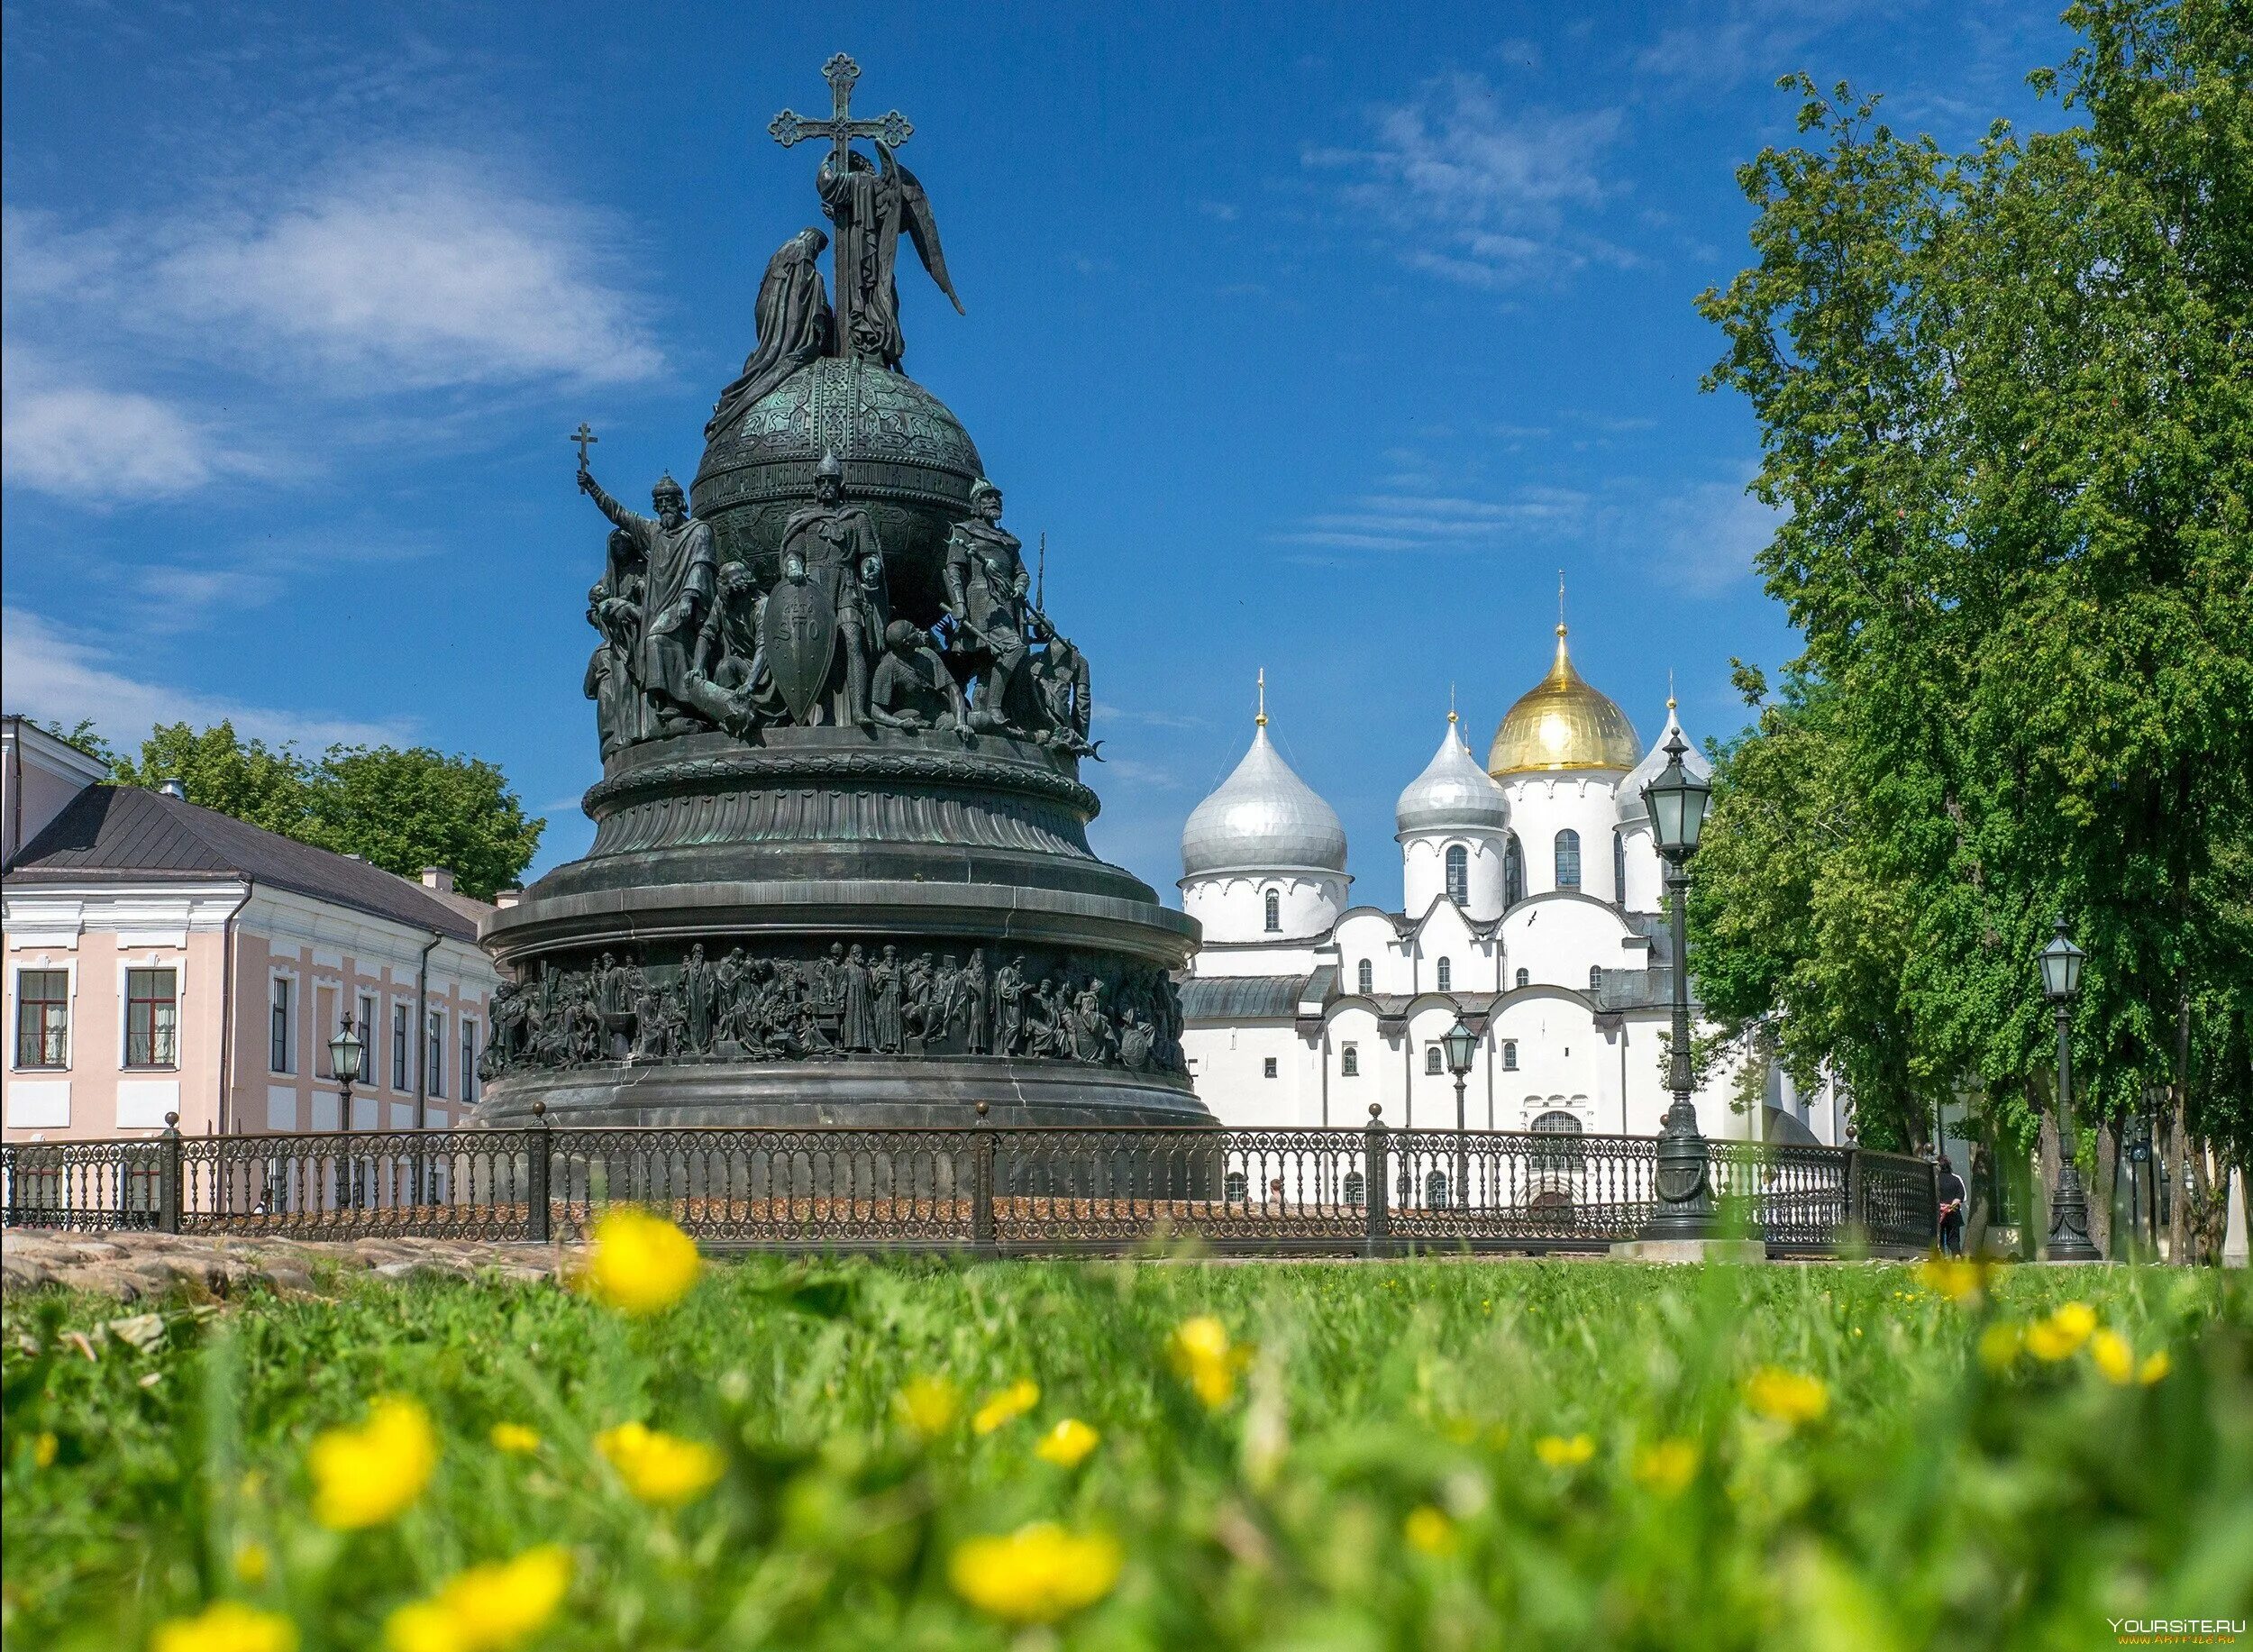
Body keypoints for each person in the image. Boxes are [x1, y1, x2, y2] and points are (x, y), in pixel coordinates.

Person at [1937, 1155, 1967, 1255]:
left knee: (1938, 1237)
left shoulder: (1935, 1180)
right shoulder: (1956, 1179)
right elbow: (1961, 1196)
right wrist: (1950, 1206)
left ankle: (1940, 1258)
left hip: (1938, 1213)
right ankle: (1956, 1255)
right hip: (1953, 1212)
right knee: (1953, 1238)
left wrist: (1942, 1207)